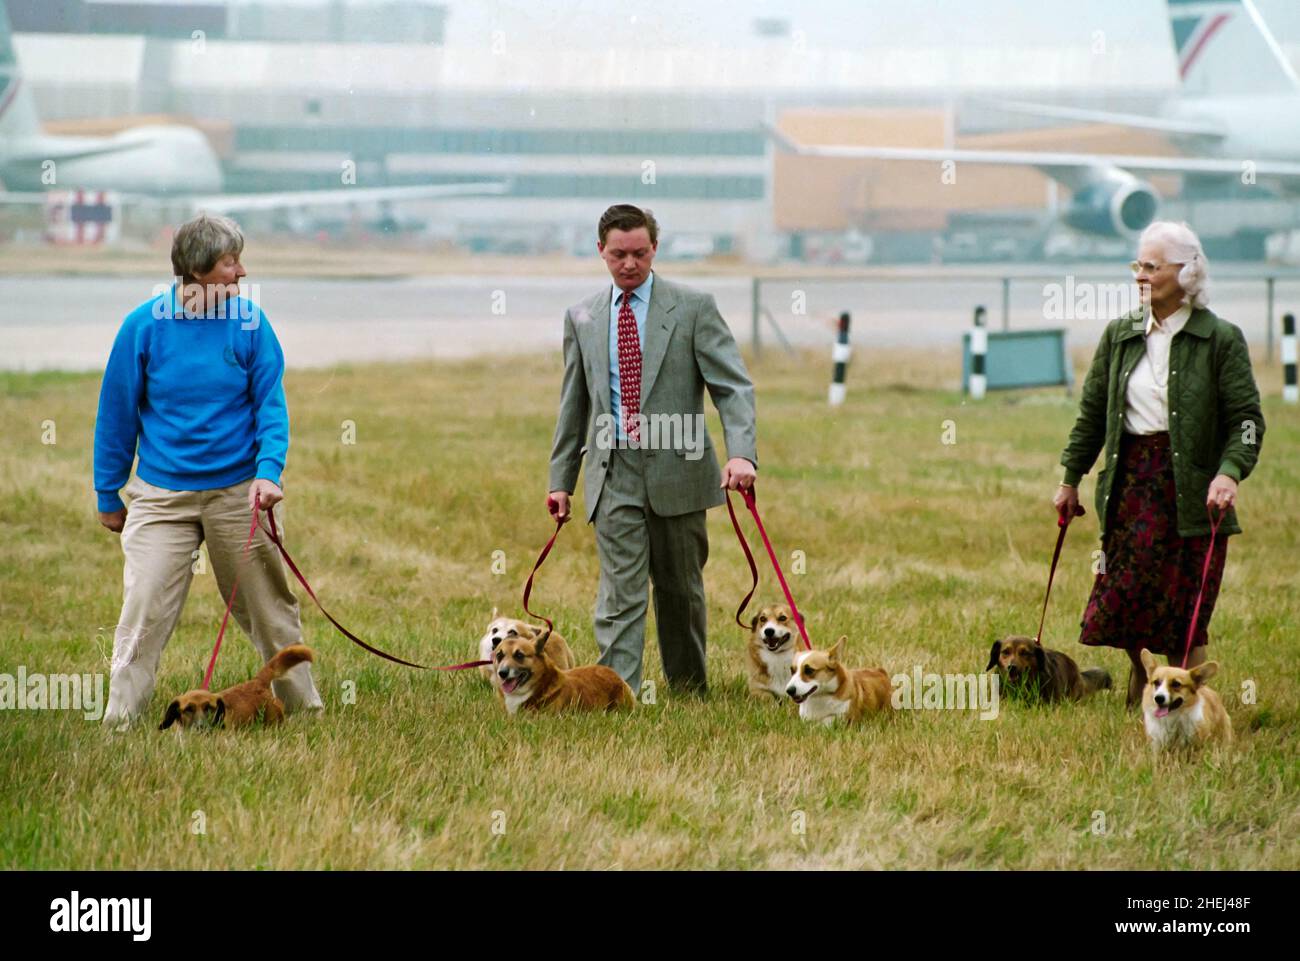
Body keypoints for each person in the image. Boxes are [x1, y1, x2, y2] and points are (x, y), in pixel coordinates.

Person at [95, 212, 323, 728]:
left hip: (241, 492)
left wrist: (269, 472)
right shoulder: (143, 327)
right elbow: (116, 413)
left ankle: (303, 709)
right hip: (161, 496)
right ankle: (120, 718)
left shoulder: (250, 324)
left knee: (269, 606)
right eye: (230, 262)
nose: (242, 272)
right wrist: (108, 492)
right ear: (197, 269)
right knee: (143, 604)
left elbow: (271, 406)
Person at [547, 204, 758, 697]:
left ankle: (688, 691)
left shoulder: (693, 307)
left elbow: (733, 386)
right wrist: (560, 481)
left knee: (680, 590)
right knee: (619, 595)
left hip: (679, 471)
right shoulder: (582, 316)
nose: (629, 264)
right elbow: (573, 404)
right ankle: (616, 695)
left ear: (654, 249)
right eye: (619, 254)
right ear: (600, 250)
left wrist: (741, 453)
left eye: (640, 253)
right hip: (613, 471)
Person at [1055, 221, 1264, 708]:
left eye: (1152, 266)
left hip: (1192, 492)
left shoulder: (1220, 339)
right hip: (1130, 485)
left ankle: (1192, 709)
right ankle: (1145, 685)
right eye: (1138, 264)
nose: (1141, 275)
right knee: (1127, 601)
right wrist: (1070, 479)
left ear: (1187, 272)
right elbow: (1091, 414)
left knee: (1184, 609)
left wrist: (1229, 472)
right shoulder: (1121, 334)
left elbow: (1247, 421)